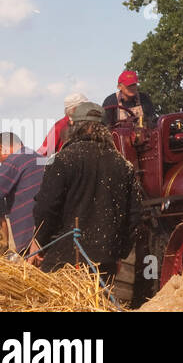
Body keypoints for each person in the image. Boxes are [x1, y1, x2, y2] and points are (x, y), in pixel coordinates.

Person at [33, 103, 142, 283]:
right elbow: (134, 218)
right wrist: (119, 254)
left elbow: (46, 208)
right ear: (104, 129)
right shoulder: (124, 165)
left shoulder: (62, 160)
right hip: (105, 264)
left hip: (63, 262)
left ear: (75, 127)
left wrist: (38, 243)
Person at [39, 92, 88, 157]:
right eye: (85, 106)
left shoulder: (89, 124)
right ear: (74, 109)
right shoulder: (60, 126)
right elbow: (42, 153)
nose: (88, 109)